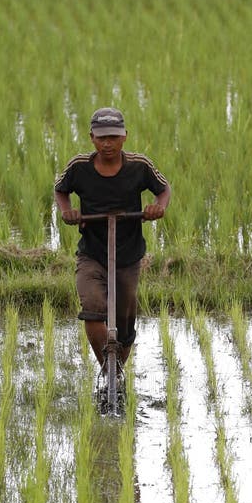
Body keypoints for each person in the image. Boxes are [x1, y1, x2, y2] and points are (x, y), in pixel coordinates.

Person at [54, 106, 171, 372]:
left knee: (125, 324)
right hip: (92, 253)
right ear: (92, 138)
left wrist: (158, 207)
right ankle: (109, 371)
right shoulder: (79, 167)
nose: (108, 144)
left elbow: (163, 189)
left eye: (114, 137)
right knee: (93, 309)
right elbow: (60, 190)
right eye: (102, 137)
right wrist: (67, 211)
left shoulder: (139, 166)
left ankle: (116, 373)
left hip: (128, 255)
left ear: (124, 136)